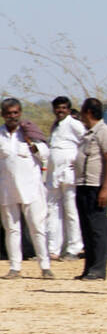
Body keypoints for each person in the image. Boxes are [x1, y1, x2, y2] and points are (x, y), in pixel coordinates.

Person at [0, 98, 53, 279]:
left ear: (20, 113)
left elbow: (45, 154)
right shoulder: (0, 135)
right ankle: (15, 267)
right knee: (12, 229)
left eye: (15, 113)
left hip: (31, 189)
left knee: (37, 227)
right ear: (3, 115)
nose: (12, 117)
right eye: (8, 113)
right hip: (7, 189)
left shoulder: (29, 133)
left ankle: (45, 266)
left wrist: (31, 141)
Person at [72, 98, 107, 281]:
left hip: (95, 186)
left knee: (97, 228)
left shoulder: (104, 131)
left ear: (88, 112)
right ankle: (89, 266)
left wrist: (105, 188)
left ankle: (98, 269)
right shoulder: (87, 133)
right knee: (86, 228)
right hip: (82, 185)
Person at [45, 95, 85, 261]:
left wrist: (77, 161)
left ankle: (74, 248)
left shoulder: (74, 124)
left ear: (68, 110)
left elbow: (86, 140)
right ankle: (53, 248)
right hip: (54, 173)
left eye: (63, 108)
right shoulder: (56, 126)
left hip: (69, 173)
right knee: (53, 210)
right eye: (57, 108)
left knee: (71, 211)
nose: (60, 111)